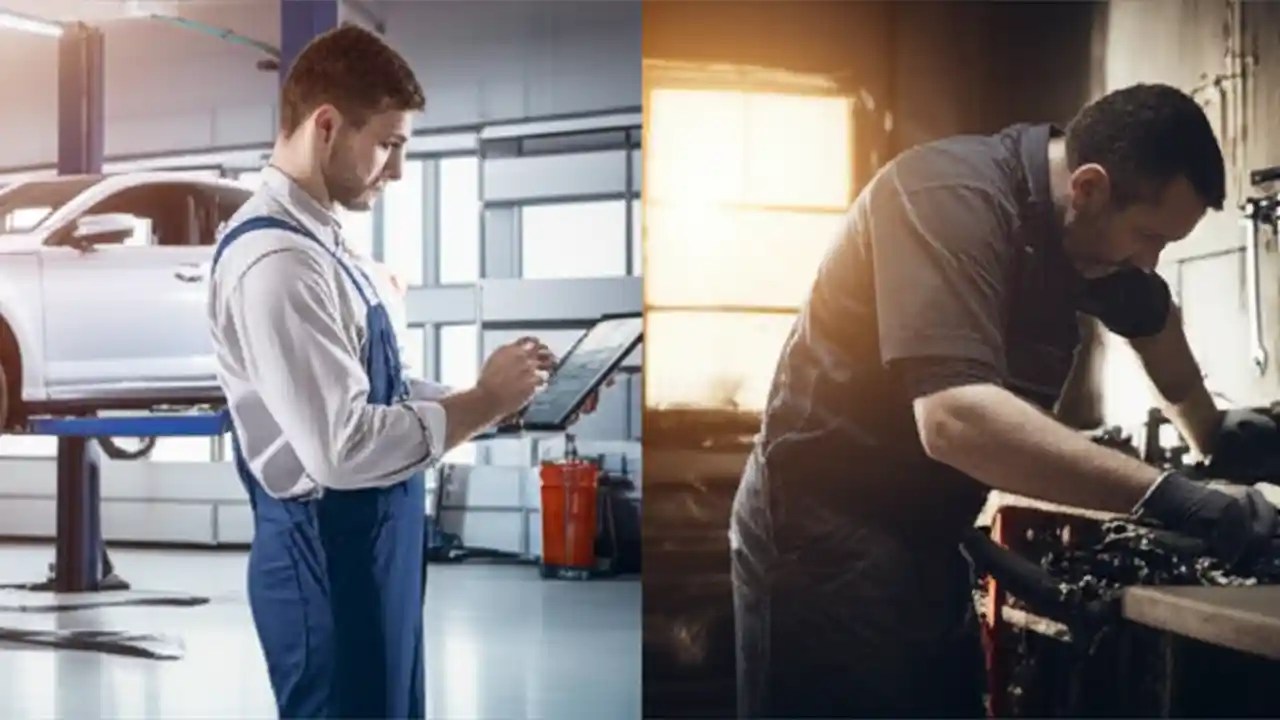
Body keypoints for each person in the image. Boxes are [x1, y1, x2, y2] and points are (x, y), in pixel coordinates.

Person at [729, 83, 1280, 719]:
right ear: (1089, 188)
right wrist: (1174, 499)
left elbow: (1156, 328)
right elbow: (955, 419)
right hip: (819, 529)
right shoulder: (946, 197)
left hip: (929, 532)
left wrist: (1212, 435)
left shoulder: (1088, 242)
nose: (1150, 260)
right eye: (1148, 236)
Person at [206, 25, 586, 719]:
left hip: (371, 552)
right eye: (388, 143)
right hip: (324, 561)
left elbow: (380, 392)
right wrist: (482, 400)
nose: (399, 170)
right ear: (326, 126)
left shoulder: (326, 245)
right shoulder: (278, 266)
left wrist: (511, 402)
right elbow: (343, 447)